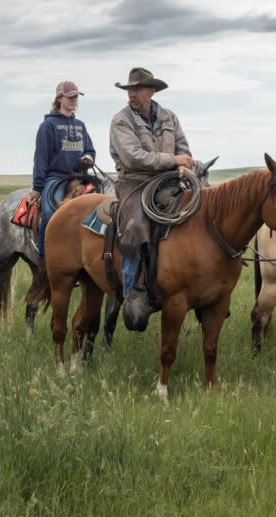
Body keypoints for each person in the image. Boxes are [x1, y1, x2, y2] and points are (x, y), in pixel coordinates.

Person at [109, 67, 193, 329]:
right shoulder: (121, 121)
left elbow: (184, 150)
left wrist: (183, 166)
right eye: (129, 90)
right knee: (134, 229)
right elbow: (133, 156)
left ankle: (196, 282)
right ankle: (132, 293)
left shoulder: (169, 117)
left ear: (151, 91)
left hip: (167, 181)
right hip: (134, 183)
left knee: (195, 213)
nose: (131, 94)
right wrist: (172, 160)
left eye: (136, 89)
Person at [26, 81, 96, 260]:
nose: (74, 100)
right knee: (51, 213)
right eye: (69, 97)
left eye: (76, 96)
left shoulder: (80, 125)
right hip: (55, 178)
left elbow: (90, 149)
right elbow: (40, 159)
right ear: (59, 99)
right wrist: (37, 187)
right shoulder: (48, 126)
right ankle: (45, 258)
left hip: (80, 178)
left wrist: (88, 158)